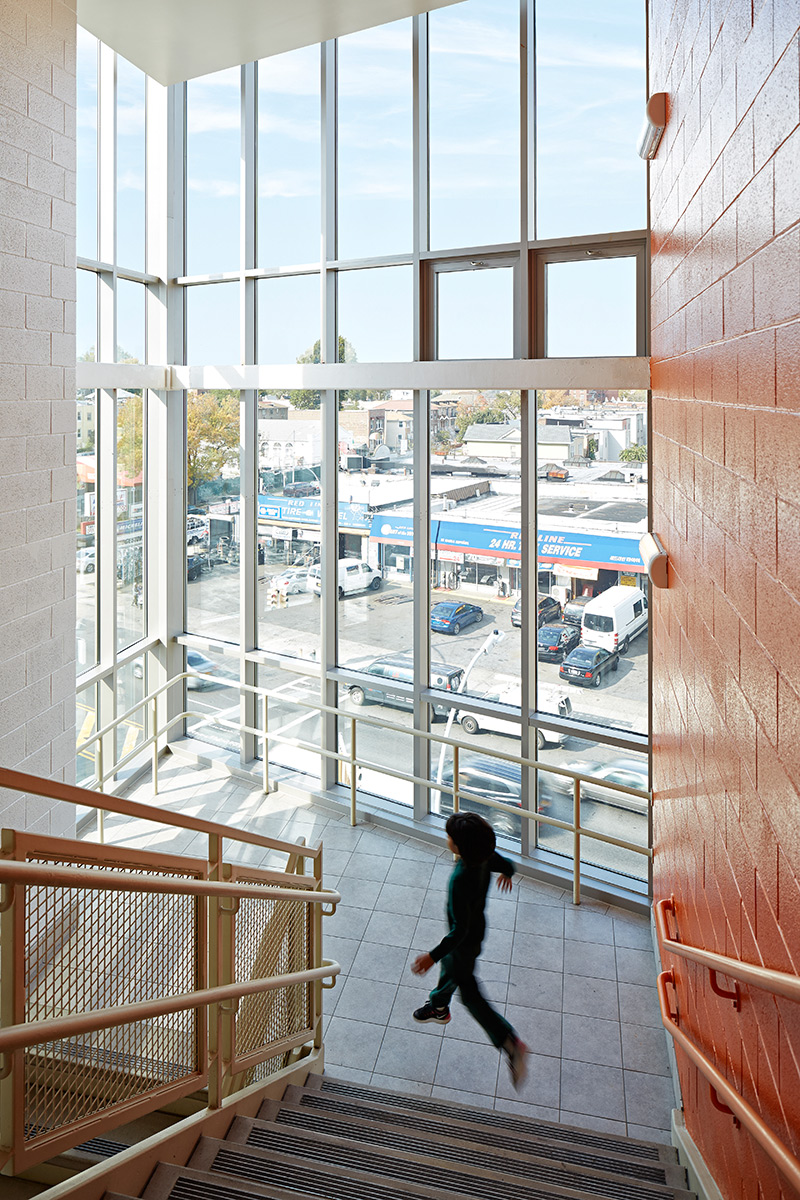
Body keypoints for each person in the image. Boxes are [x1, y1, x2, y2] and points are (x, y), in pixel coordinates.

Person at [411, 812, 529, 1089]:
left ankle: (509, 1041)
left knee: (470, 994)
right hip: (476, 935)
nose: (447, 838)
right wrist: (508, 873)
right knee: (452, 971)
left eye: (450, 836)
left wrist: (431, 956)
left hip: (463, 942)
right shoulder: (485, 857)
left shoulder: (460, 879)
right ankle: (439, 1006)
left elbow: (458, 931)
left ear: (460, 846)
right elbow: (506, 863)